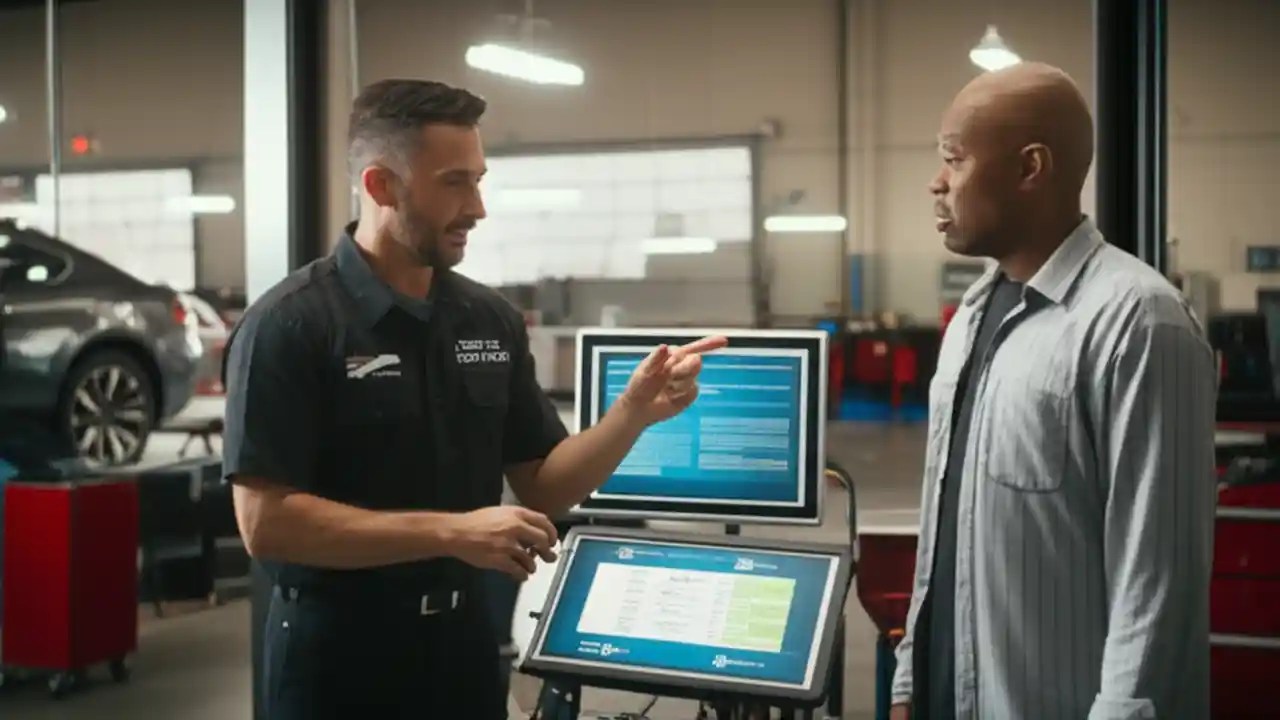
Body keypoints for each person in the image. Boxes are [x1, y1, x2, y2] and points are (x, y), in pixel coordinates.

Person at [222, 78, 727, 720]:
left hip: (465, 652)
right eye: (454, 183)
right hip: (339, 662)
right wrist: (453, 532)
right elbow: (266, 524)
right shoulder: (290, 326)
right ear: (381, 187)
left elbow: (544, 484)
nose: (478, 207)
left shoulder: (488, 319)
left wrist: (632, 415)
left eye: (479, 180)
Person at [890, 63, 1217, 719]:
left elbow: (1159, 585)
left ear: (1029, 168)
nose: (937, 181)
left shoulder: (1138, 322)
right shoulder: (970, 321)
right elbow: (945, 531)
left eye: (954, 159)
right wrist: (907, 686)